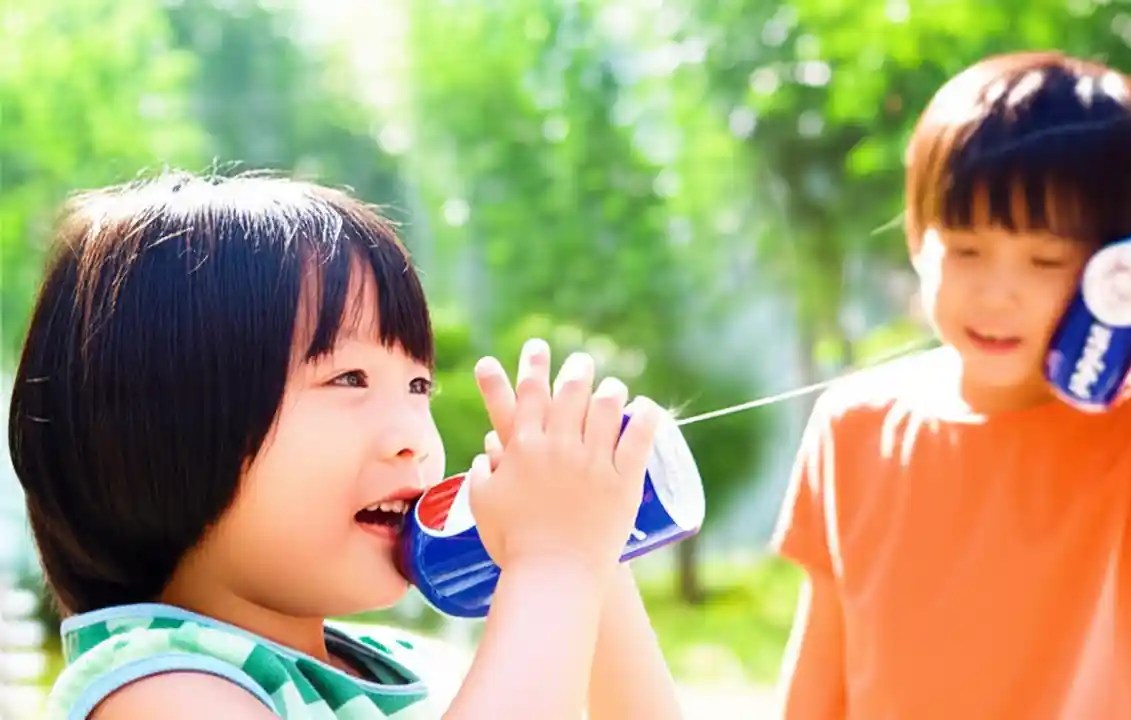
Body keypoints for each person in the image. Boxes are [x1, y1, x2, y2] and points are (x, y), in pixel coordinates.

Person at [8, 171, 683, 719]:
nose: (414, 439)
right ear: (157, 430)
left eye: (418, 386)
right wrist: (553, 563)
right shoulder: (158, 689)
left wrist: (593, 553)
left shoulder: (405, 667)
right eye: (349, 377)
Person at [772, 51, 1131, 719]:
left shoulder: (1129, 422)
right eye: (967, 249)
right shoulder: (852, 423)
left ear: (1112, 267)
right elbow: (820, 662)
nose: (996, 294)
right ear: (921, 240)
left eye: (1045, 260)